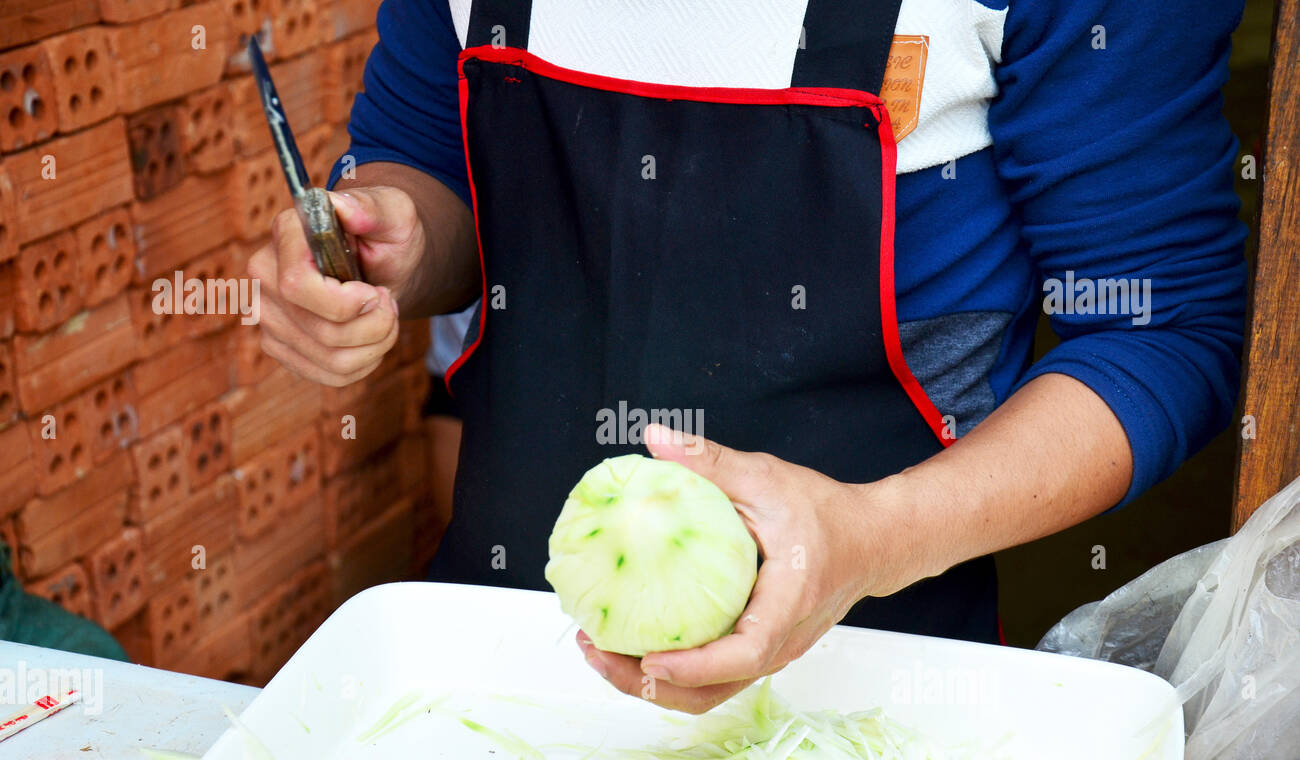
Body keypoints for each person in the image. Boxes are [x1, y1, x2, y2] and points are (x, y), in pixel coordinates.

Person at [248, 0, 1248, 713]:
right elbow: (425, 163)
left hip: (866, 694)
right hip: (507, 668)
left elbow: (1158, 329)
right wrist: (396, 240)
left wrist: (873, 534)